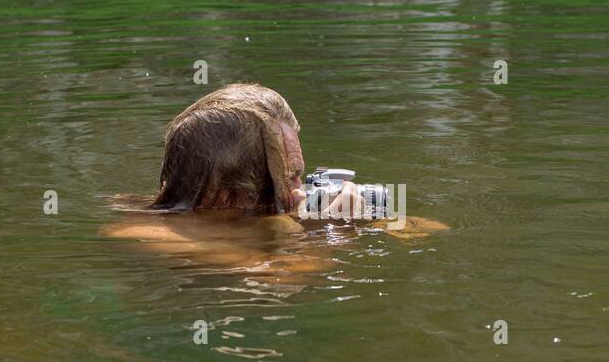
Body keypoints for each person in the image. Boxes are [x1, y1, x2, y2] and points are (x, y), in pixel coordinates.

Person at [102, 84, 446, 274]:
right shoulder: (148, 233)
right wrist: (333, 232)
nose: (299, 191)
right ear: (229, 194)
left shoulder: (269, 218)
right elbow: (281, 278)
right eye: (289, 178)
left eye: (300, 175)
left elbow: (436, 234)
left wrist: (376, 219)